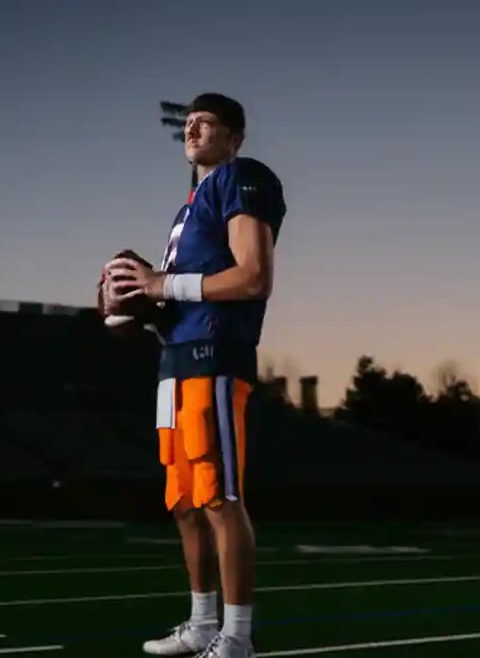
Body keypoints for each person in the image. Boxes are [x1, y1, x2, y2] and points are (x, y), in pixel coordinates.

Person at [104, 93, 285, 658]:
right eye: (187, 123)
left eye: (205, 122)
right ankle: (203, 623)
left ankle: (237, 637)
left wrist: (164, 285)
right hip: (174, 361)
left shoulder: (243, 176)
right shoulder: (187, 209)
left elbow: (253, 277)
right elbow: (171, 299)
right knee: (182, 500)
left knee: (218, 496)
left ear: (235, 134)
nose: (191, 129)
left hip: (215, 355)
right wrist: (130, 305)